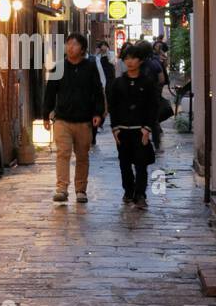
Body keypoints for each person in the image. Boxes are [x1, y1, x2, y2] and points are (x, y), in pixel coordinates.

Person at [43, 32, 105, 203]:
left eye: (75, 44)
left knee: (82, 155)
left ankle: (80, 190)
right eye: (68, 44)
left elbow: (98, 92)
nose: (70, 47)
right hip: (62, 118)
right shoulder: (58, 67)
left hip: (84, 120)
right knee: (63, 153)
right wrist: (45, 115)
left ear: (83, 48)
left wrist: (98, 114)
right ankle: (62, 188)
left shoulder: (90, 67)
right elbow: (49, 93)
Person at [108, 44, 160, 208]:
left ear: (140, 60)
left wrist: (147, 127)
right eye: (127, 58)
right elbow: (113, 106)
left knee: (141, 163)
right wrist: (114, 127)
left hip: (140, 129)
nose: (130, 62)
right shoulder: (117, 83)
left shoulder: (147, 82)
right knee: (124, 164)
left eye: (133, 58)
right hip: (123, 129)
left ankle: (140, 194)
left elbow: (153, 106)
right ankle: (128, 191)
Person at [91, 40, 117, 147]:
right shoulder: (97, 58)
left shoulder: (111, 54)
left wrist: (106, 53)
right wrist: (97, 54)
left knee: (108, 99)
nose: (103, 48)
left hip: (110, 80)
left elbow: (112, 62)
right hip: (101, 80)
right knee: (102, 100)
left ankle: (104, 114)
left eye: (104, 46)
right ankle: (100, 121)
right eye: (101, 46)